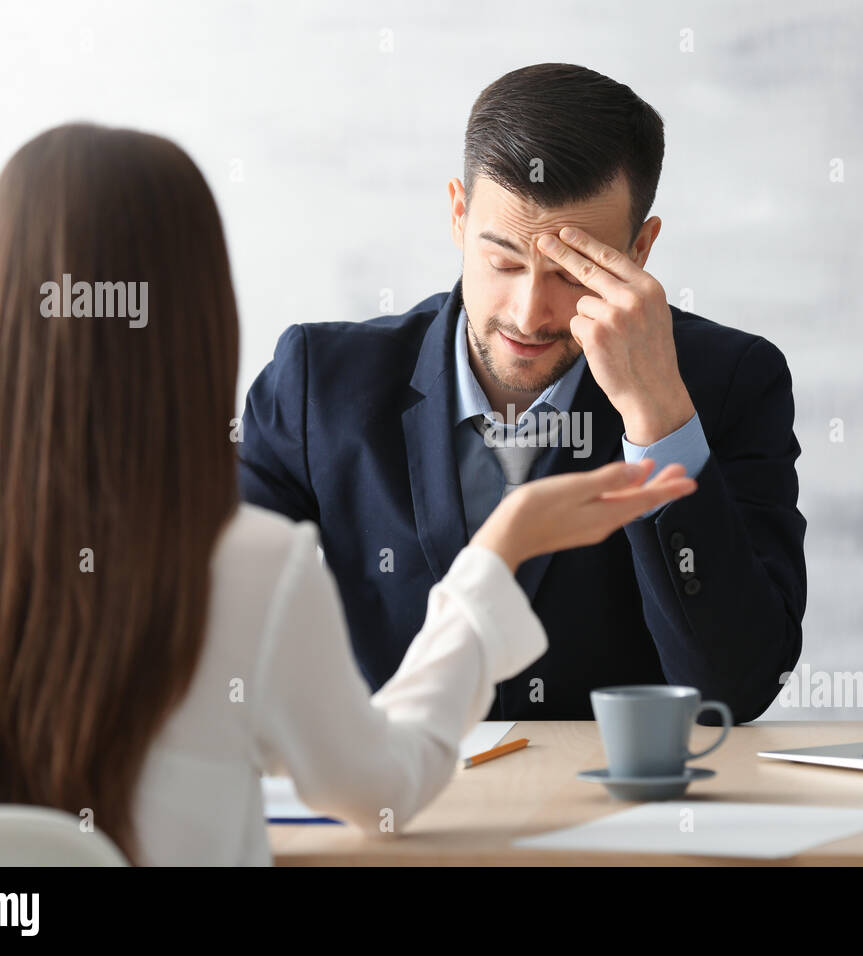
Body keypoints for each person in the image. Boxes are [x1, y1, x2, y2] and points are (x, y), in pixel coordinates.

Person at [0, 123, 695, 865]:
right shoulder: (249, 563)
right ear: (199, 311)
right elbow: (388, 785)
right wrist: (499, 552)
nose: (530, 305)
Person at [239, 63, 808, 724]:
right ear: (457, 214)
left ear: (640, 248)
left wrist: (657, 422)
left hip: (626, 820)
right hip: (399, 808)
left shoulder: (730, 381)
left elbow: (734, 689)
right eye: (503, 262)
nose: (530, 313)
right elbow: (206, 620)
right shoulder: (319, 382)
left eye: (574, 270)